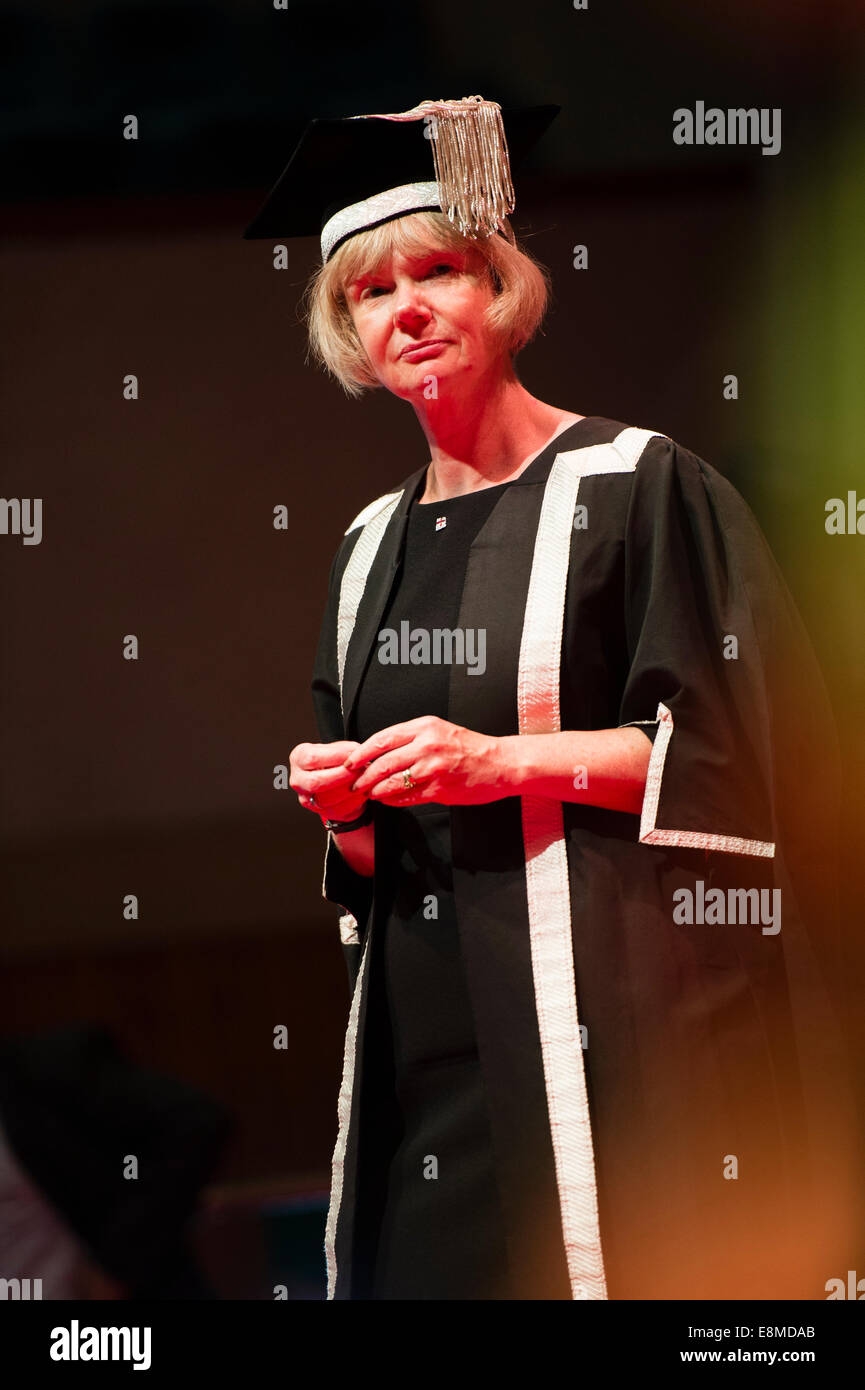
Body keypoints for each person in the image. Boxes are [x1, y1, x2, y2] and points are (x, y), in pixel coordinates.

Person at [246, 97, 861, 1299]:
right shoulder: (370, 543)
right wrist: (345, 804)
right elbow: (378, 858)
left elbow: (744, 758)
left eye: (438, 272)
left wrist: (502, 764)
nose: (408, 308)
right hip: (432, 1051)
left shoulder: (636, 486)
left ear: (504, 289)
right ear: (348, 331)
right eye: (372, 292)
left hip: (619, 1037)